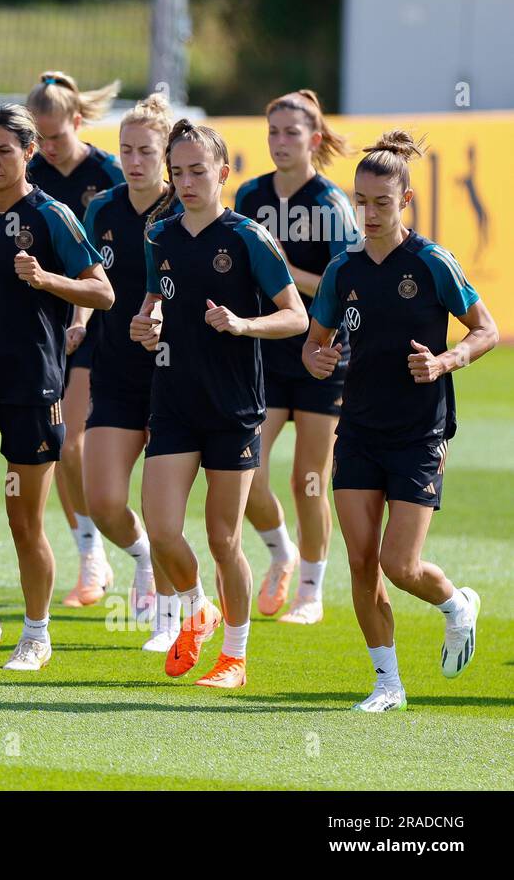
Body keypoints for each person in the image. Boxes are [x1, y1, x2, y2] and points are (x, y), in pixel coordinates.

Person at [306, 131, 497, 712]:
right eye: (361, 201)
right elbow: (314, 349)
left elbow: (484, 329)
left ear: (406, 200)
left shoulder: (432, 262)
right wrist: (320, 359)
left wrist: (445, 360)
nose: (369, 213)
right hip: (359, 430)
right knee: (361, 562)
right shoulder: (343, 271)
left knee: (399, 563)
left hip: (420, 433)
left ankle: (454, 605)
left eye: (382, 203)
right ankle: (387, 683)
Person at [130, 119, 307, 689]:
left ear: (223, 173)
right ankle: (197, 606)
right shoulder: (161, 235)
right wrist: (147, 323)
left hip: (234, 408)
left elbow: (296, 315)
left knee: (223, 538)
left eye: (197, 170)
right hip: (173, 401)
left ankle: (234, 656)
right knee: (160, 529)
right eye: (176, 171)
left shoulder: (248, 236)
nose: (185, 181)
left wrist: (242, 324)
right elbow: (156, 301)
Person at [0, 104, 113, 672]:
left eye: (4, 151)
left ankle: (36, 633)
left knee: (22, 519)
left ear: (28, 152)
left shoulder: (54, 216)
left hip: (33, 386)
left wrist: (47, 279)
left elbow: (103, 293)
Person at [234, 90, 358, 624]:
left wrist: (283, 269)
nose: (280, 142)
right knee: (247, 473)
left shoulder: (331, 203)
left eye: (291, 133)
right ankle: (281, 552)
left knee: (309, 477)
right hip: (266, 352)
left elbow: (347, 283)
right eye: (273, 132)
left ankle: (311, 591)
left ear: (314, 138)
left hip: (322, 355)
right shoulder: (250, 195)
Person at [78, 92, 183, 652]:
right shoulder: (102, 209)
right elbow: (90, 276)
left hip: (173, 376)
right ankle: (141, 556)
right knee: (103, 500)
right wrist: (76, 319)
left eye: (145, 150)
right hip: (114, 369)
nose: (134, 160)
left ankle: (169, 617)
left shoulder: (184, 208)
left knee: (157, 504)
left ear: (165, 154)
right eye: (125, 150)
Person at [25, 70, 124, 606]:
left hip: (112, 318)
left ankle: (141, 553)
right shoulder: (30, 173)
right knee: (66, 444)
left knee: (94, 444)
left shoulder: (109, 174)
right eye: (38, 138)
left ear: (78, 122)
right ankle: (91, 556)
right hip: (57, 329)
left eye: (57, 137)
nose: (47, 148)